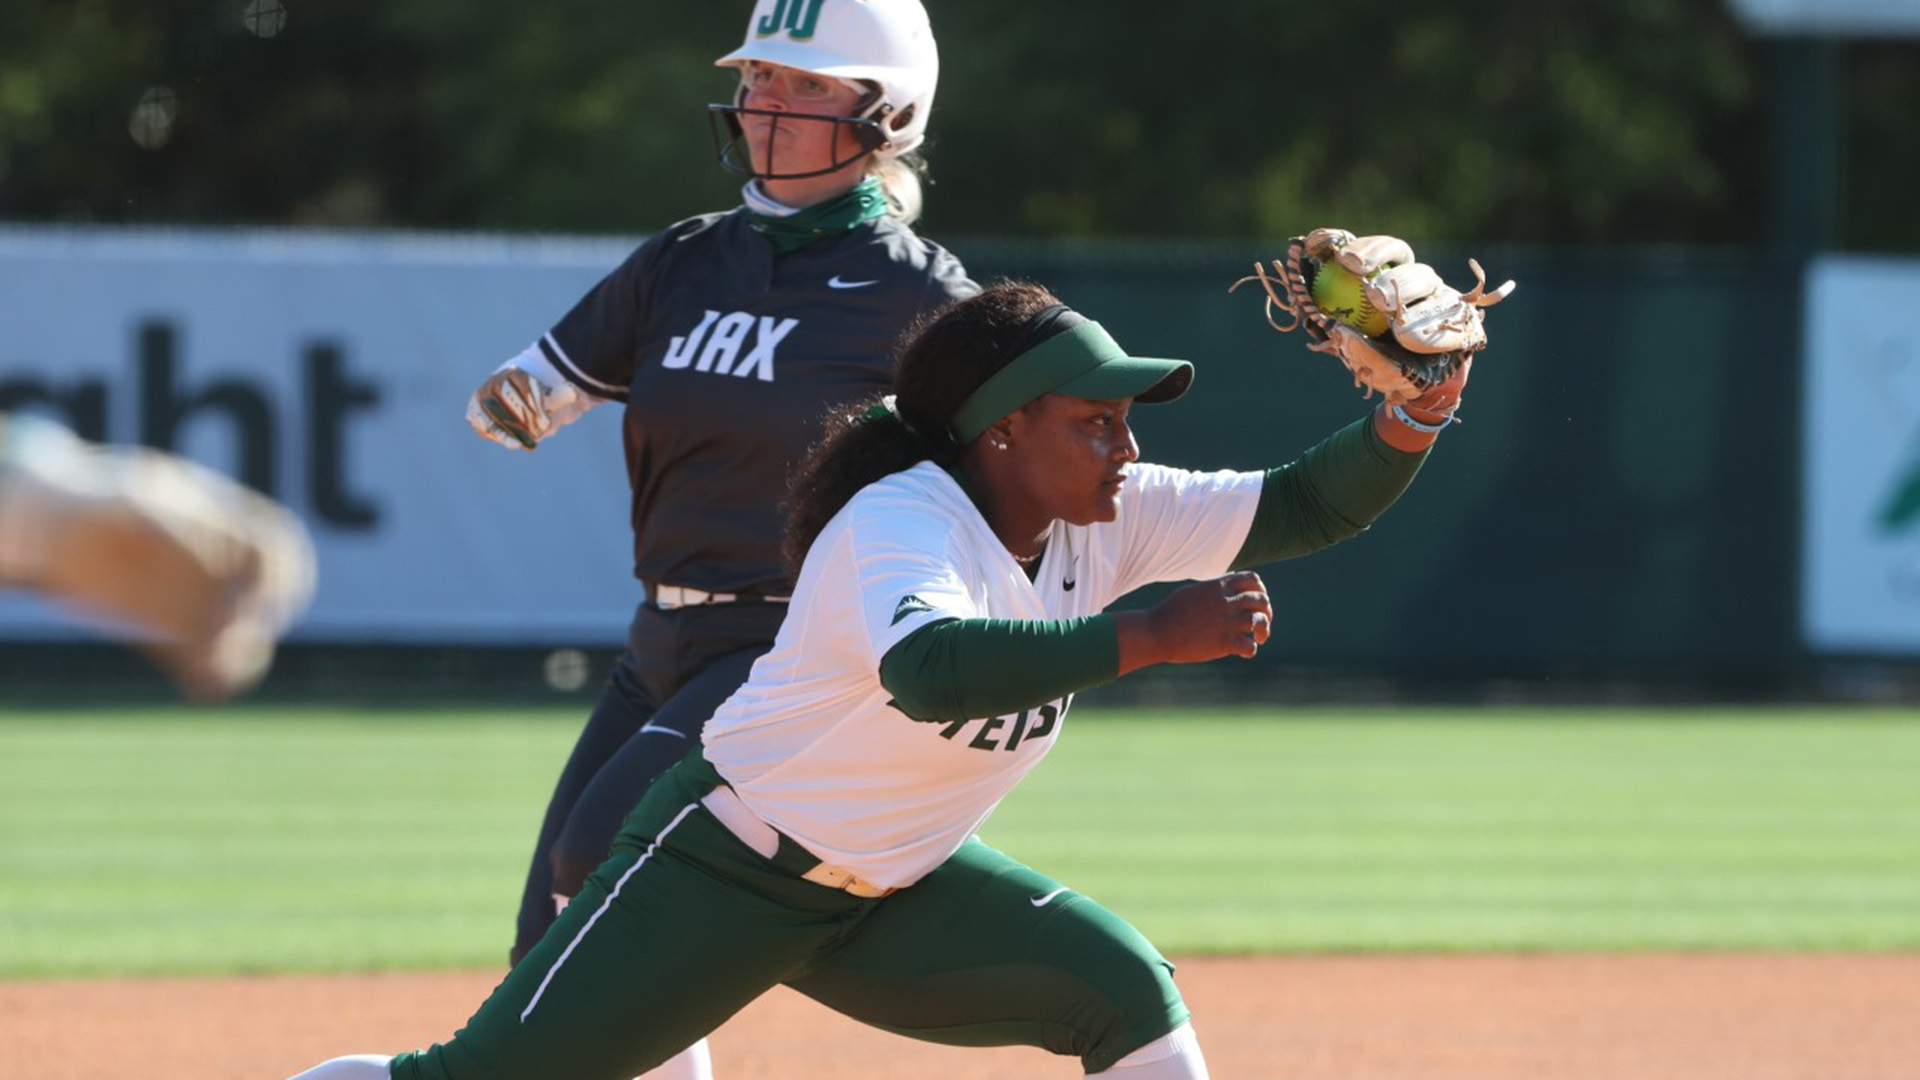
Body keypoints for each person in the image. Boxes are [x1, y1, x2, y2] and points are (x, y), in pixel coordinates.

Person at [283, 263, 1481, 1080]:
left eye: (1125, 420)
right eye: (1096, 418)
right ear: (1003, 429)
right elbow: (938, 670)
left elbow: (1310, 503)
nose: (1127, 442)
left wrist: (1419, 413)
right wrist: (1151, 639)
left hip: (895, 891)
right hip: (719, 870)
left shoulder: (1108, 511)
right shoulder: (900, 523)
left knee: (1123, 989)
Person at [461, 2, 971, 1075]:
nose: (766, 107)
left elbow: (1042, 444)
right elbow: (542, 390)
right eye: (758, 80)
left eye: (805, 86)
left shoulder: (920, 296)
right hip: (661, 642)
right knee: (548, 954)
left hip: (791, 648)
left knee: (595, 852)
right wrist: (518, 399)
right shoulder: (686, 259)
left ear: (889, 114)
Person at [0, 411, 315, 702]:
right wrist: (237, 628)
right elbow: (132, 497)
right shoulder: (275, 573)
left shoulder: (191, 624)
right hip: (38, 481)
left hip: (31, 533)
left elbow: (76, 591)